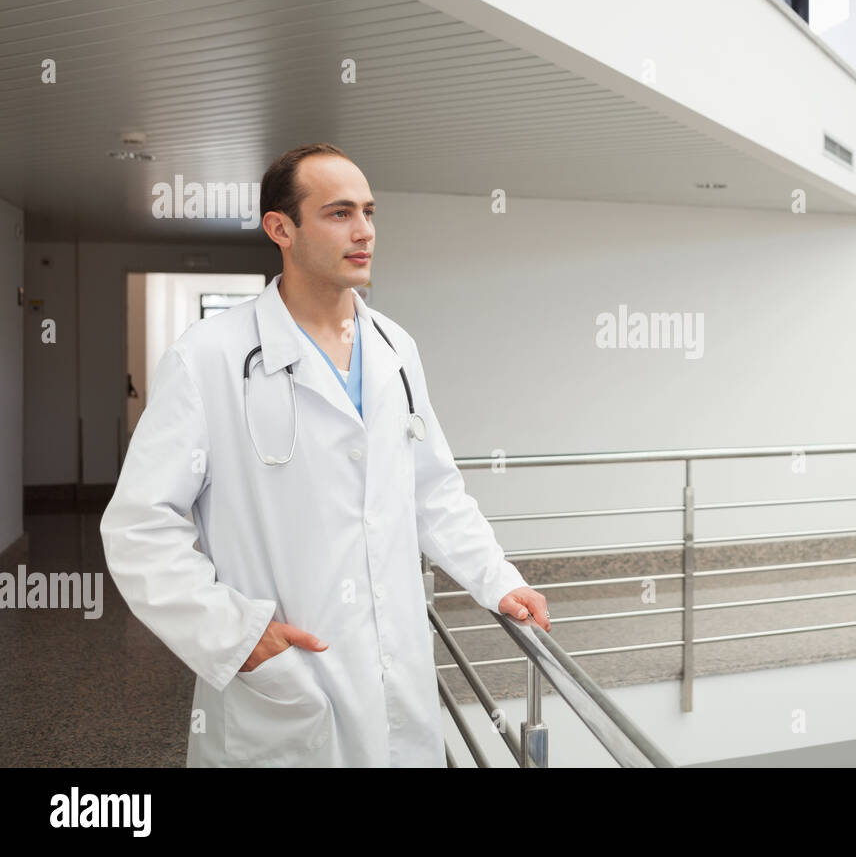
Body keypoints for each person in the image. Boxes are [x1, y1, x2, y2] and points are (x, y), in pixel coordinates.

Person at [101, 142, 549, 767]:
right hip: (289, 679)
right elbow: (139, 526)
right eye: (339, 213)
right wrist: (236, 633)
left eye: (369, 212)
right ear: (281, 229)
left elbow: (433, 490)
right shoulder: (209, 356)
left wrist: (496, 578)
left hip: (396, 677)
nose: (364, 231)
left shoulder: (395, 347)